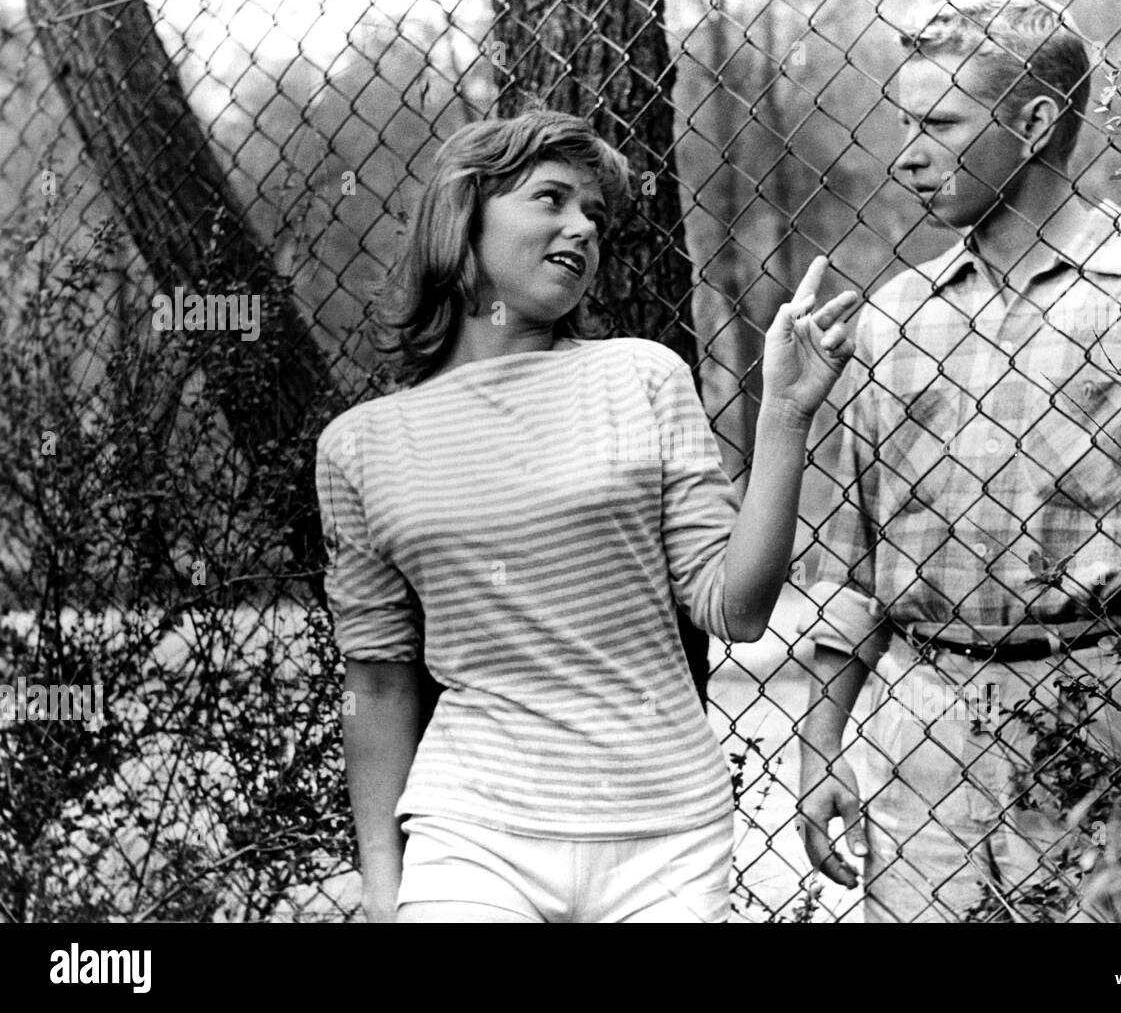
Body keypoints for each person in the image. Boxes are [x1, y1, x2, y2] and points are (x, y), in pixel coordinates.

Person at [316, 109, 859, 923]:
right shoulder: (360, 446)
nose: (582, 228)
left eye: (595, 216)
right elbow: (380, 682)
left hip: (665, 837)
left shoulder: (641, 377)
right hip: (473, 831)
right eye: (551, 199)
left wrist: (783, 411)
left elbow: (736, 610)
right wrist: (384, 883)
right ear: (463, 214)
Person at [798, 0, 1121, 922]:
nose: (909, 154)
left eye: (941, 122)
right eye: (905, 121)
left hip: (1112, 721)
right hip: (923, 736)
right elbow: (851, 563)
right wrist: (819, 748)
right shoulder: (893, 321)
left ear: (1037, 120)